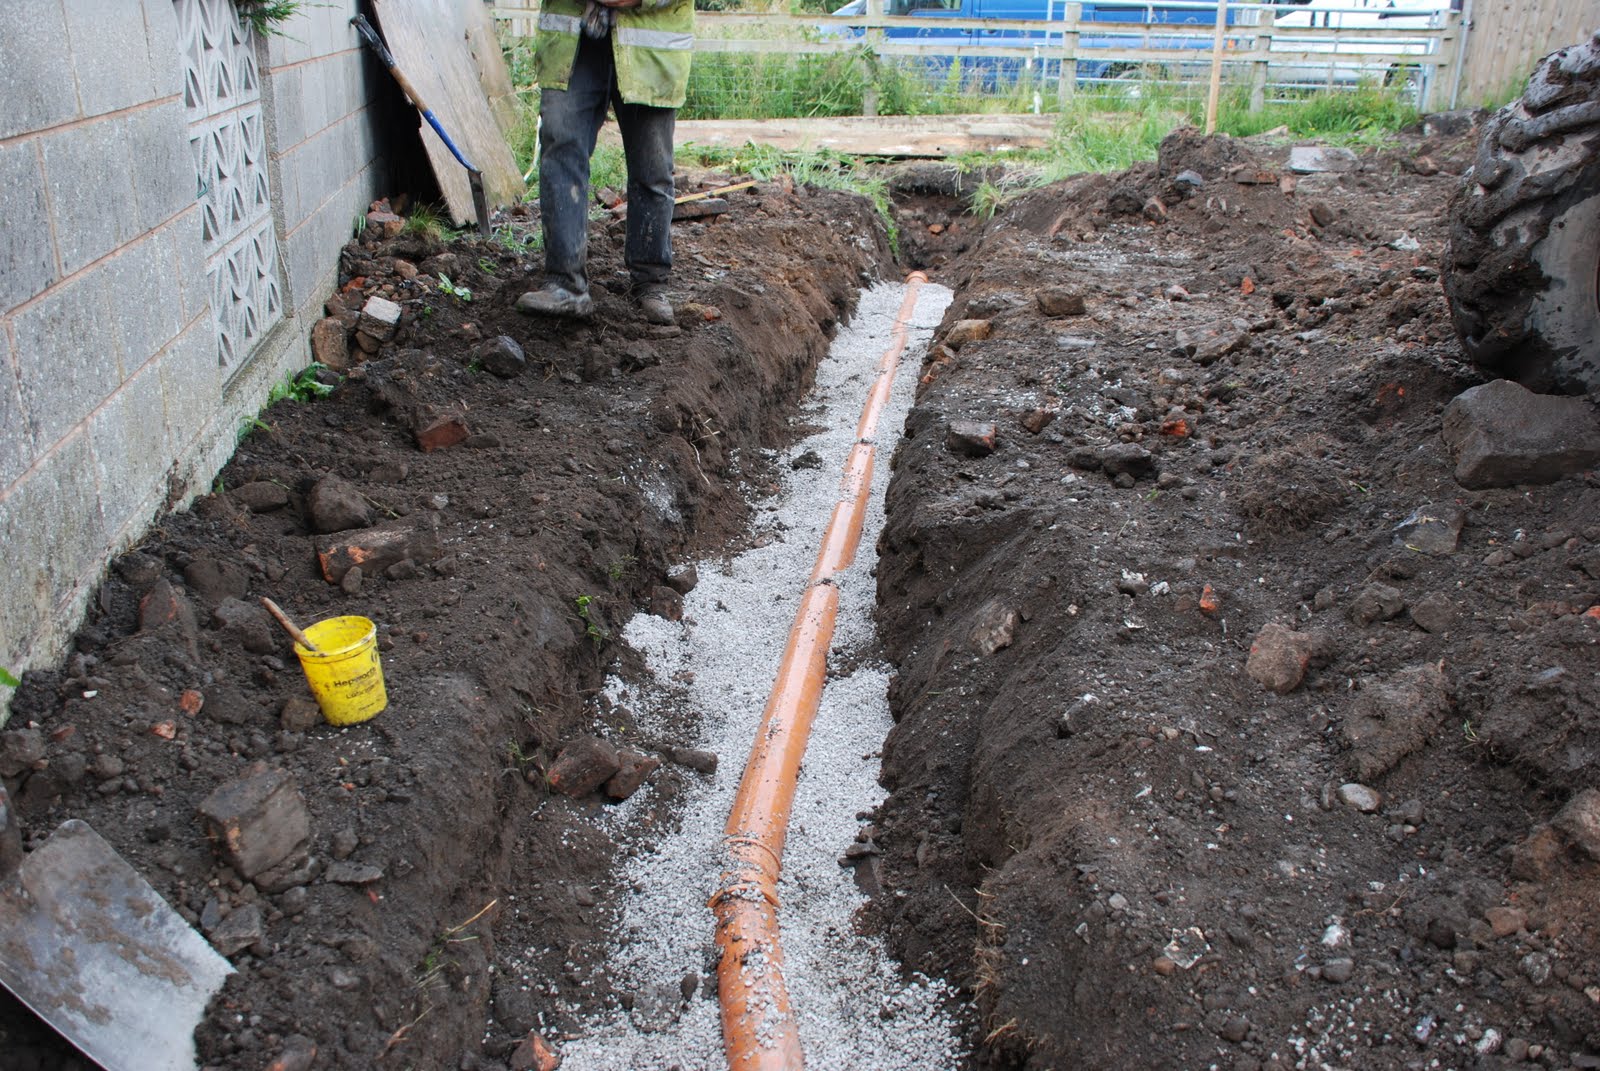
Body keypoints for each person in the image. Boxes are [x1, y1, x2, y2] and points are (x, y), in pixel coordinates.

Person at [516, 0, 694, 326]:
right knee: (561, 152)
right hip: (573, 41)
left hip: (648, 50)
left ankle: (651, 283)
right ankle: (564, 283)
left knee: (652, 169)